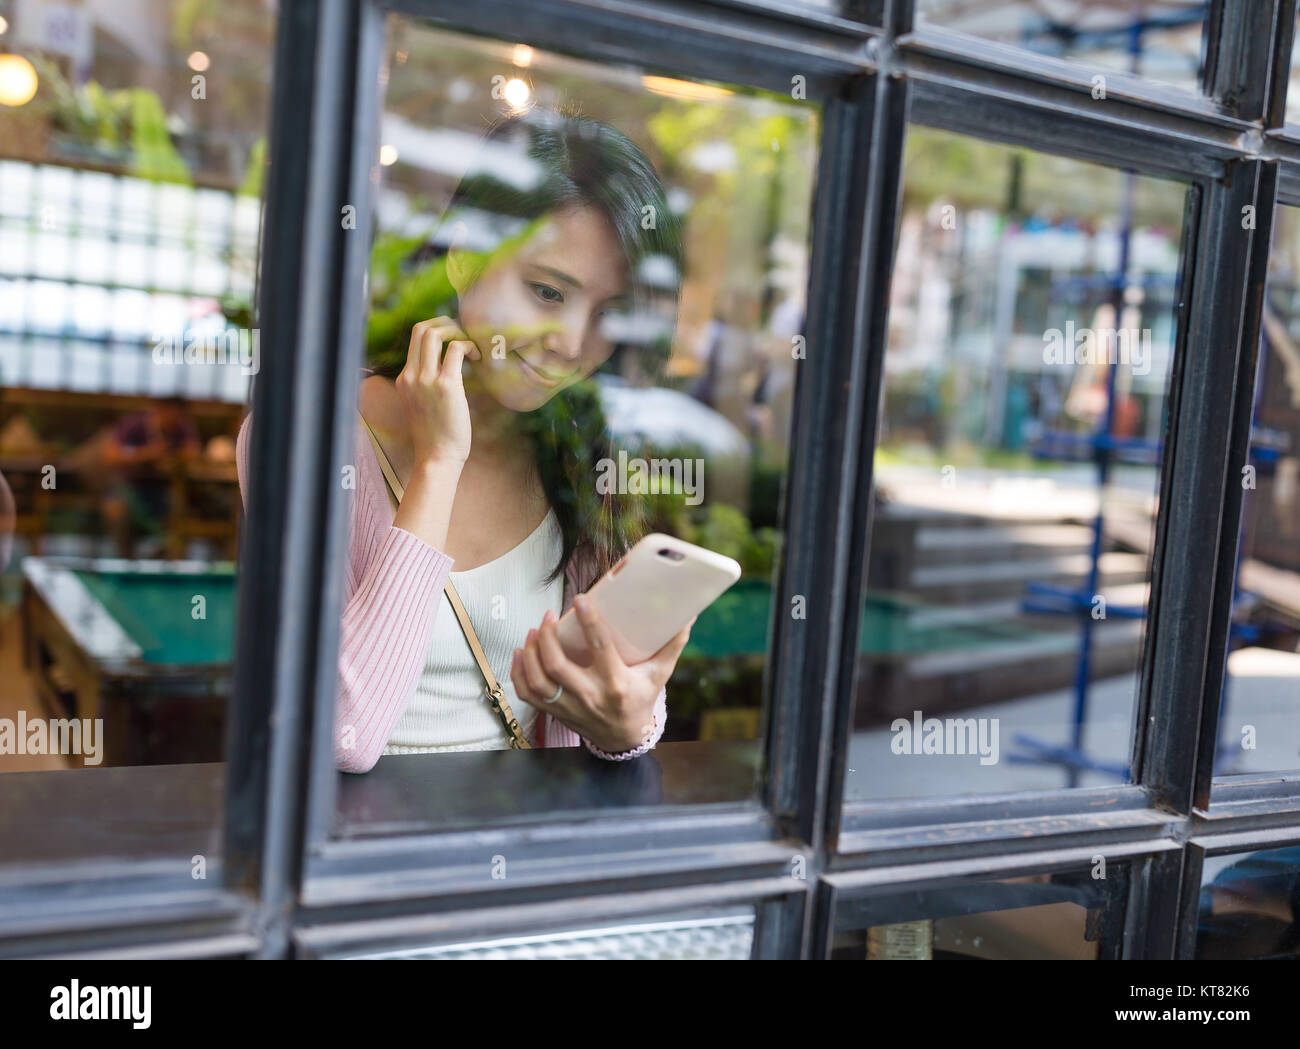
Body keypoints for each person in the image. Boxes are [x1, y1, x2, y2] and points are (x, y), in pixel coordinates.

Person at [237, 105, 695, 772]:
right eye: (546, 291)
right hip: (351, 854)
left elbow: (621, 702)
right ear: (461, 259)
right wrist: (438, 464)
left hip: (521, 841)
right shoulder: (306, 436)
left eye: (609, 315)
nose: (572, 343)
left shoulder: (581, 453)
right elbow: (344, 733)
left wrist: (629, 722)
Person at [100, 396, 201, 557]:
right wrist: (146, 454)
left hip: (160, 488)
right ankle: (126, 564)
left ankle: (163, 562)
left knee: (182, 514)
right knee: (117, 511)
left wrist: (174, 457)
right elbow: (111, 455)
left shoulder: (181, 427)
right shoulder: (135, 424)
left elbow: (192, 452)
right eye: (170, 413)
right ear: (159, 410)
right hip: (127, 484)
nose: (173, 418)